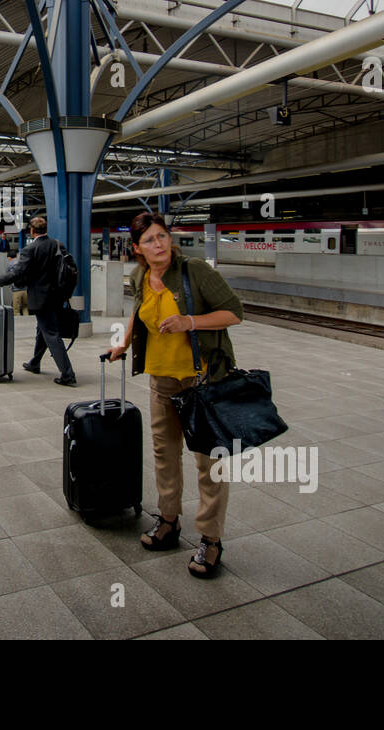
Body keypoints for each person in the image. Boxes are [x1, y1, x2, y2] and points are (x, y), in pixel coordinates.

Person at [107, 211, 242, 577]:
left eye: (163, 236)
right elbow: (140, 312)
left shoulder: (194, 271)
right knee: (165, 455)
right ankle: (169, 521)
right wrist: (123, 344)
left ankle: (210, 540)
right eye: (150, 240)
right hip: (161, 381)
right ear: (137, 248)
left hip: (201, 381)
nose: (159, 244)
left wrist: (190, 322)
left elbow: (234, 312)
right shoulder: (140, 276)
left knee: (207, 463)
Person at [0, 215, 75, 386]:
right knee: (42, 330)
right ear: (45, 230)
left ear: (31, 230)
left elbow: (17, 273)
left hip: (41, 298)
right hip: (57, 296)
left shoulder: (31, 249)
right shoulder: (57, 245)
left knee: (51, 334)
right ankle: (35, 363)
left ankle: (68, 374)